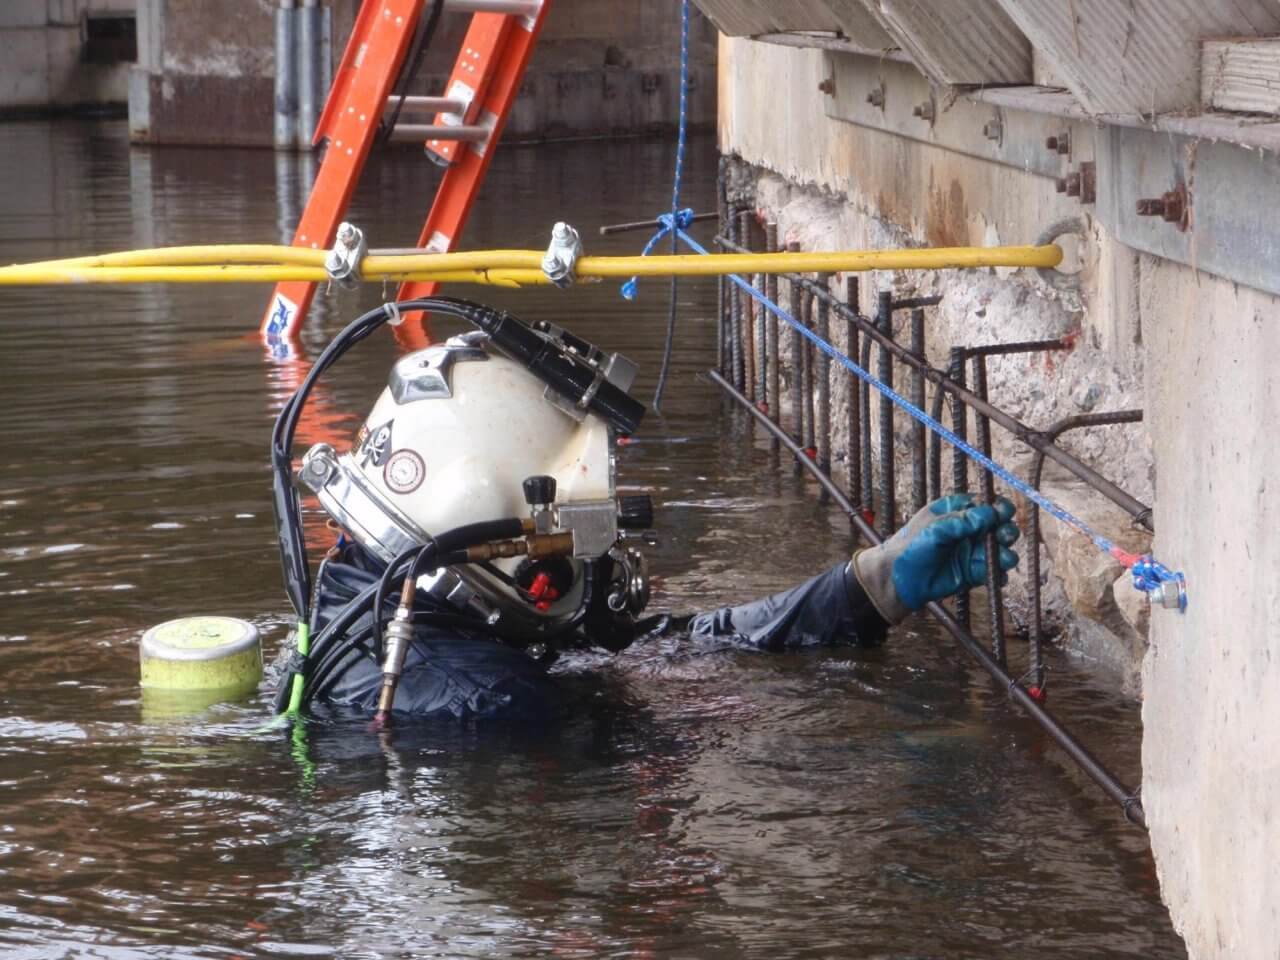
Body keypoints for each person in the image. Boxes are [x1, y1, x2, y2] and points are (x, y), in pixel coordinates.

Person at [288, 317, 1020, 722]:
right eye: (578, 517)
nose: (598, 542)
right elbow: (651, 726)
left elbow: (658, 650)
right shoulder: (488, 702)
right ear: (493, 519)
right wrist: (910, 737)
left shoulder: (371, 598)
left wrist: (868, 587)